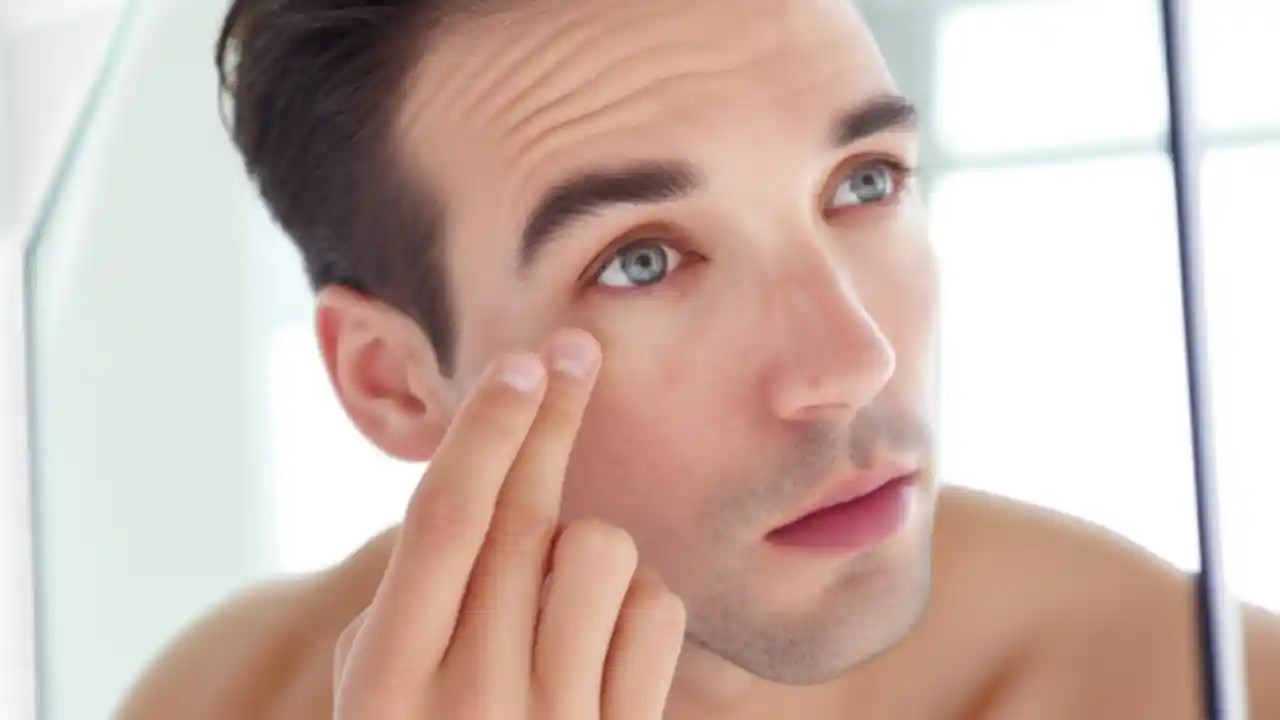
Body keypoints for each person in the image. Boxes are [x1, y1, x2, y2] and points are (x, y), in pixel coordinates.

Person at [116, 0, 1280, 718]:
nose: (851, 360)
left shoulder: (1210, 688)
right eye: (641, 261)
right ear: (392, 380)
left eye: (862, 183)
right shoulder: (229, 703)